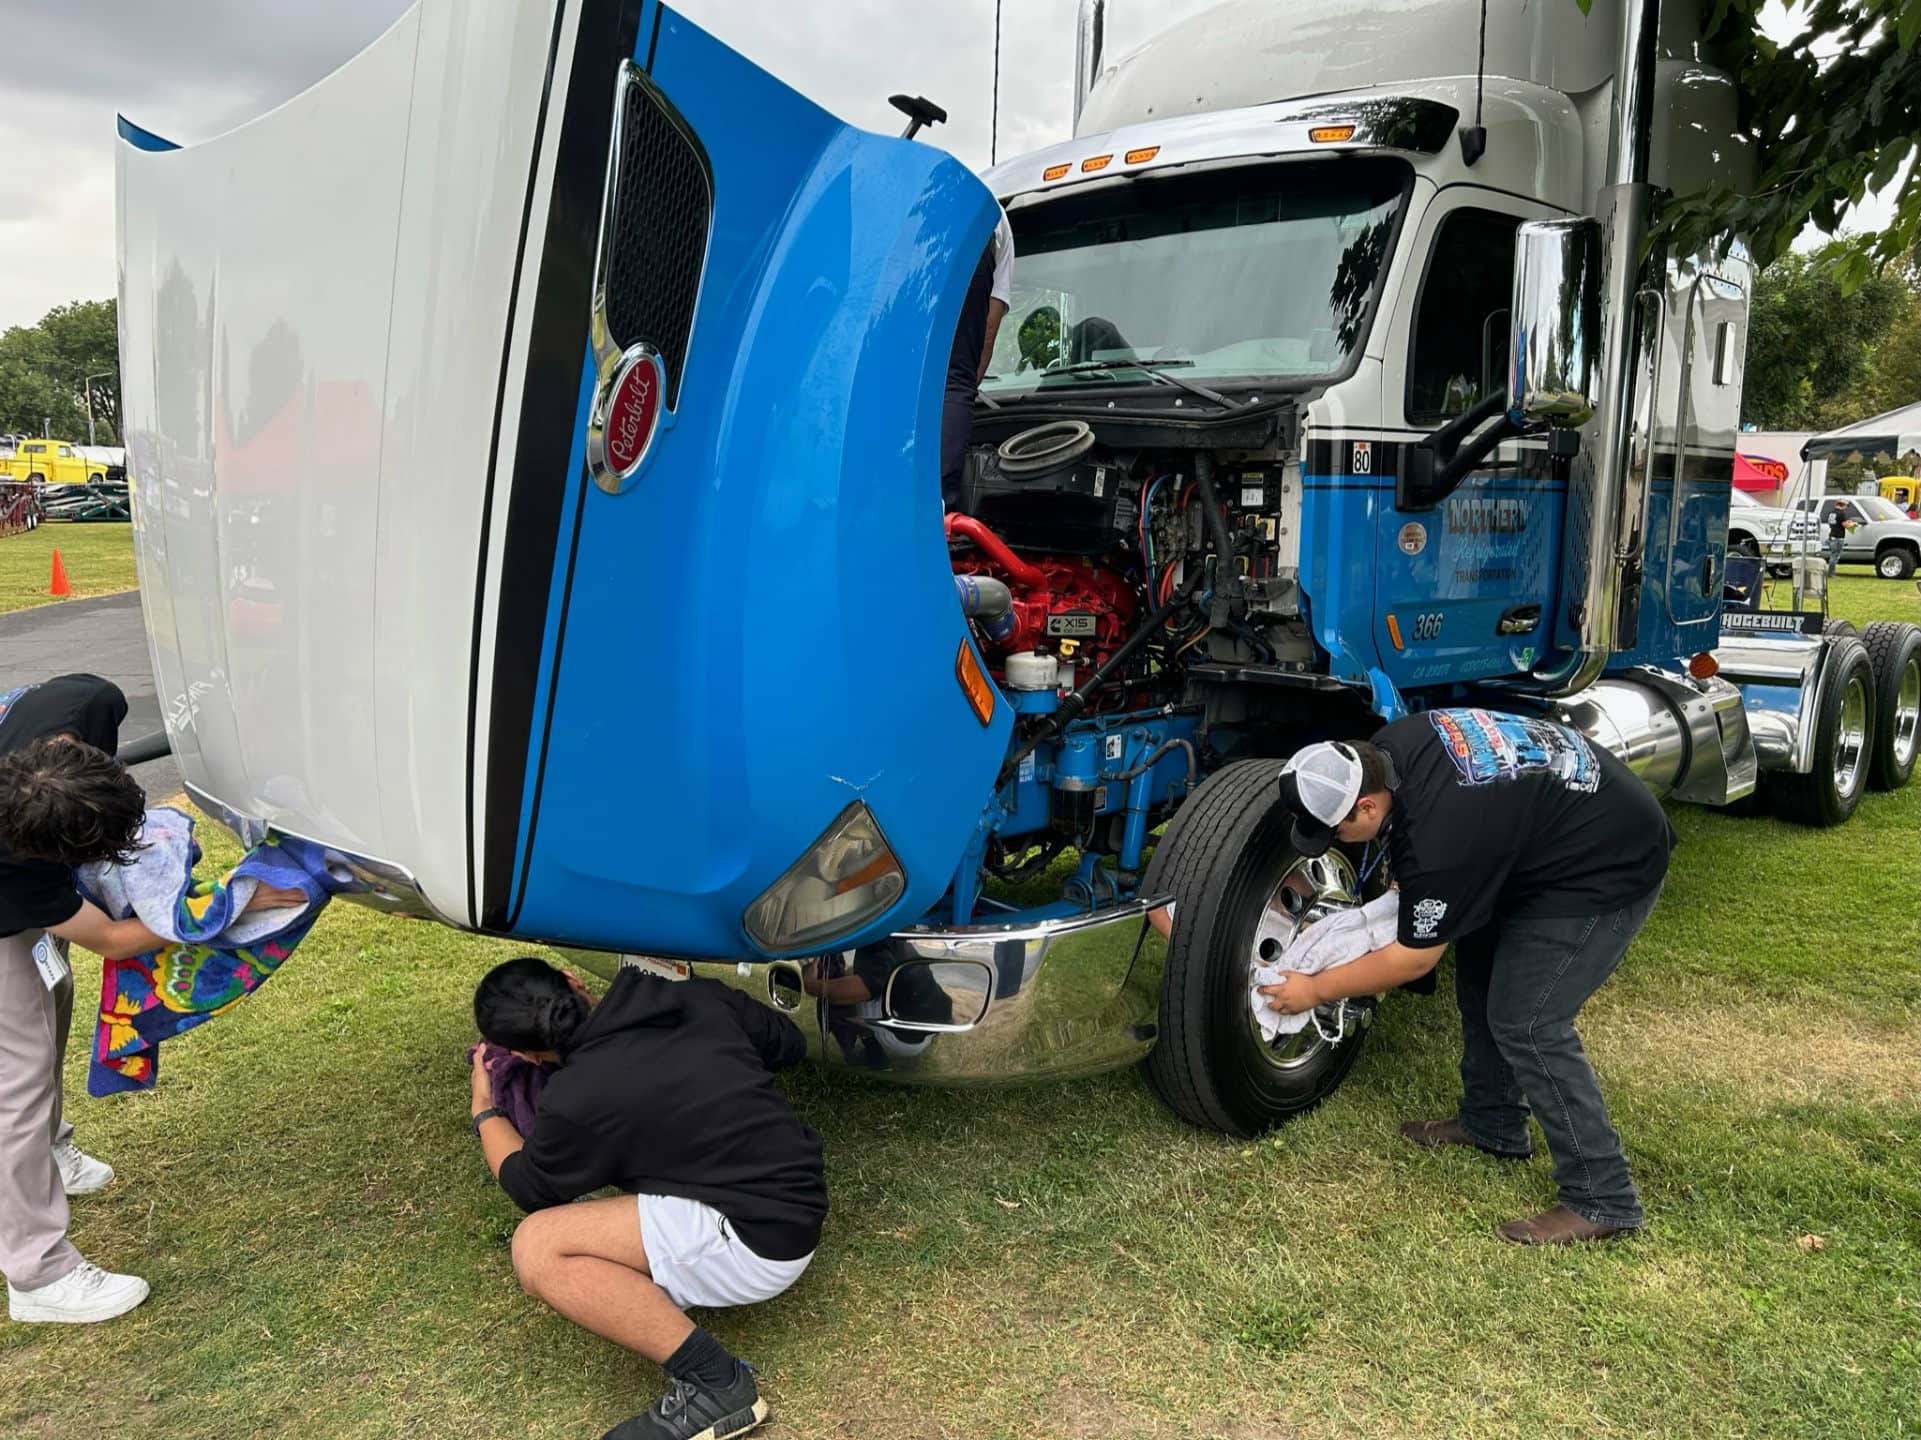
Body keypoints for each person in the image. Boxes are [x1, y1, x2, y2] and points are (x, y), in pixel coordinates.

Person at [1262, 709, 1674, 1244]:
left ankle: (1603, 1196)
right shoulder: (1389, 748)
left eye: (1337, 830)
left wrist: (1313, 990)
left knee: (1528, 1020)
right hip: (1543, 837)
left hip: (1604, 863)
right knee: (1478, 973)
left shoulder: (1442, 840)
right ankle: (1493, 1123)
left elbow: (1413, 960)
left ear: (1367, 804)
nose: (1336, 839)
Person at [469, 957, 826, 1440]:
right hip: (795, 1193)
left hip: (758, 1241)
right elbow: (788, 1043)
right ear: (572, 979)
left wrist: (485, 1109)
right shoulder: (685, 992)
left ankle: (717, 1386)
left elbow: (526, 1184)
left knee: (538, 1247)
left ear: (527, 1056)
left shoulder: (575, 1101)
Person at [0, 675, 161, 1323]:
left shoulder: (87, 701)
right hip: (7, 894)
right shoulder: (15, 867)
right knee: (18, 1076)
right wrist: (232, 908)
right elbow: (118, 941)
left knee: (54, 987)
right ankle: (37, 1275)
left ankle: (53, 1149)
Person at [938, 205, 1015, 506]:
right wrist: (967, 384)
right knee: (956, 378)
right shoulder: (992, 216)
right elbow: (987, 329)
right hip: (970, 232)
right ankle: (939, 507)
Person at [1825, 503, 1852, 570]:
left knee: (1833, 555)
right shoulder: (1841, 513)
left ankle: (1830, 572)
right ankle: (1831, 573)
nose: (1846, 508)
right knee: (1835, 556)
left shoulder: (1831, 513)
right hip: (1838, 537)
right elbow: (1846, 525)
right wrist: (1853, 524)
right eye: (1846, 506)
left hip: (1832, 535)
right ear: (1842, 506)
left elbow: (1836, 522)